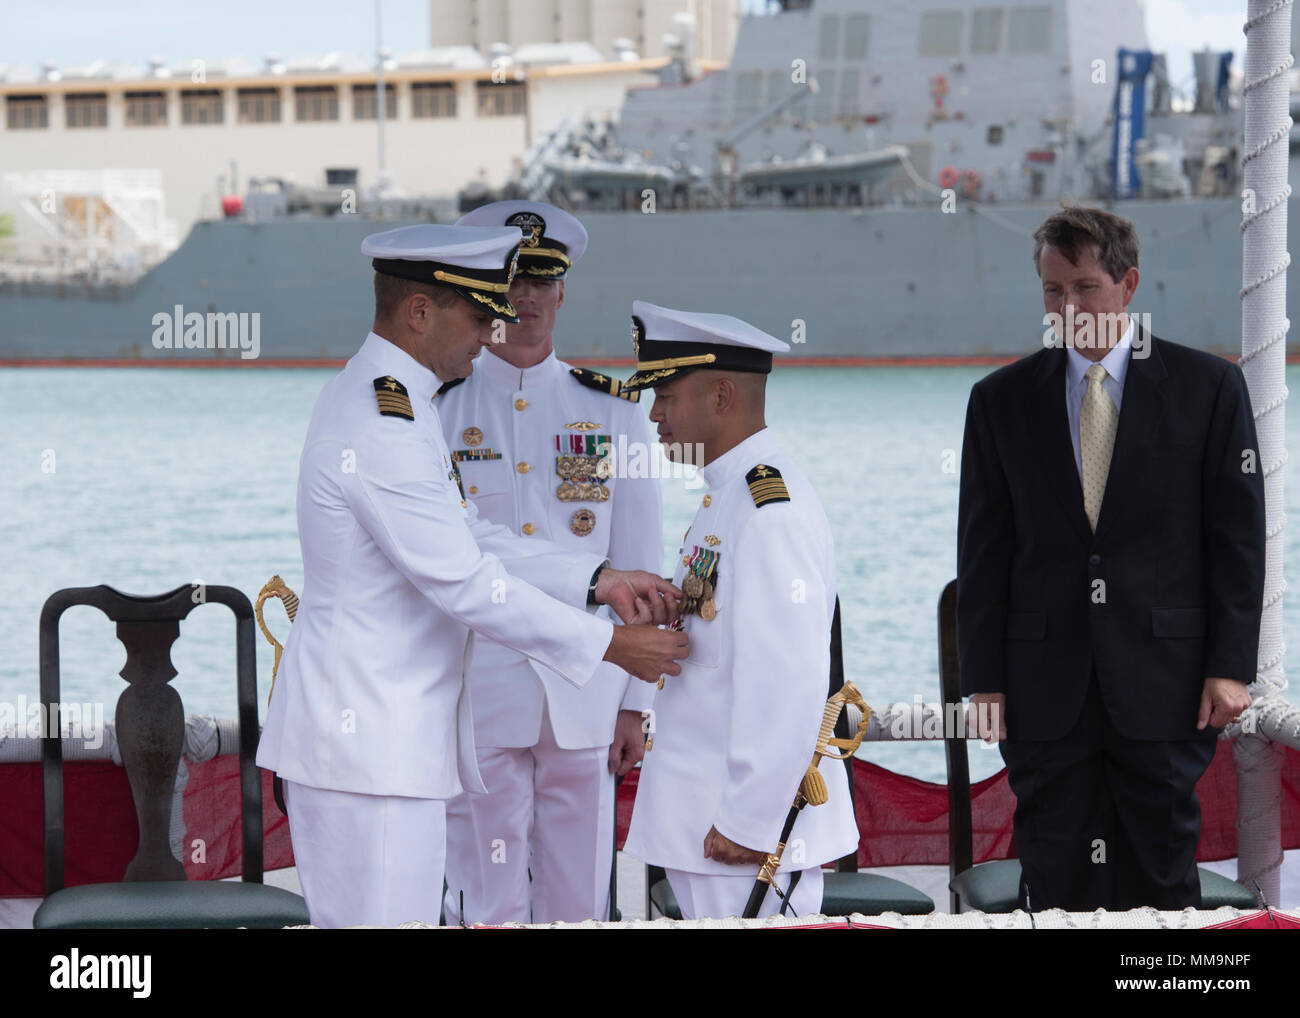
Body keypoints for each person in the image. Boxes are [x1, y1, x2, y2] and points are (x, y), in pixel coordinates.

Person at [256, 224, 687, 929]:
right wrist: (609, 646)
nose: (492, 331)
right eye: (479, 313)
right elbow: (462, 580)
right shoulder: (383, 419)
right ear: (420, 313)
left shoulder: (400, 402)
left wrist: (598, 578)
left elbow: (473, 536)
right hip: (369, 750)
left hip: (385, 748)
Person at [956, 205, 1264, 911]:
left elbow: (1238, 540)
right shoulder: (999, 401)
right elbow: (983, 552)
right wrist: (986, 684)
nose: (1068, 306)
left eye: (1085, 287)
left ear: (1127, 286)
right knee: (1054, 882)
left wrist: (1229, 667)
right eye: (1052, 291)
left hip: (1167, 689)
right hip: (1043, 697)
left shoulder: (1207, 390)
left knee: (1161, 879)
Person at [435, 200, 663, 924]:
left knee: (579, 902)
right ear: (485, 295)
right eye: (510, 283)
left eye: (542, 280)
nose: (525, 298)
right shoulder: (437, 408)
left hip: (587, 691)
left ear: (562, 291)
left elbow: (639, 563)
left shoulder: (617, 411)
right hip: (477, 689)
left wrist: (637, 706)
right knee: (484, 898)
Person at [621, 300, 859, 920]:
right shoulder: (728, 497)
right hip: (709, 823)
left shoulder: (767, 509)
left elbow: (788, 684)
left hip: (745, 838)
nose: (655, 415)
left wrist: (751, 822)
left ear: (723, 395)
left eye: (667, 395)